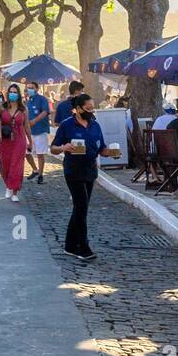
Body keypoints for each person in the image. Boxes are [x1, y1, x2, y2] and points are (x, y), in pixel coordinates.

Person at [50, 92, 116, 260]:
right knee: (81, 206)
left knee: (80, 208)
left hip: (90, 169)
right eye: (87, 108)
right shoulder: (67, 125)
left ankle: (69, 245)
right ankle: (82, 246)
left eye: (92, 108)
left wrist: (112, 153)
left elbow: (102, 148)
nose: (91, 111)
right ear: (78, 109)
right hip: (73, 169)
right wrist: (64, 147)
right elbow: (53, 148)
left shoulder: (95, 125)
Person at [0, 84, 32, 202]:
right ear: (8, 94)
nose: (12, 94)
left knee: (16, 165)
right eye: (10, 92)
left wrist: (30, 141)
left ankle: (15, 190)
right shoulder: (2, 107)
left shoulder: (24, 109)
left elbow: (26, 125)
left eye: (15, 92)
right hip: (5, 140)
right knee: (5, 164)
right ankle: (8, 184)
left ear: (18, 94)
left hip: (19, 139)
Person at [24, 80, 51, 184]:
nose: (29, 90)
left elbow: (45, 111)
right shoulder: (28, 101)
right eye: (28, 88)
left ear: (37, 88)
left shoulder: (42, 99)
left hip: (40, 130)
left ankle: (40, 175)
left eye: (32, 87)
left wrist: (35, 120)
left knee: (40, 154)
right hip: (30, 132)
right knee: (26, 152)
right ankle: (35, 170)